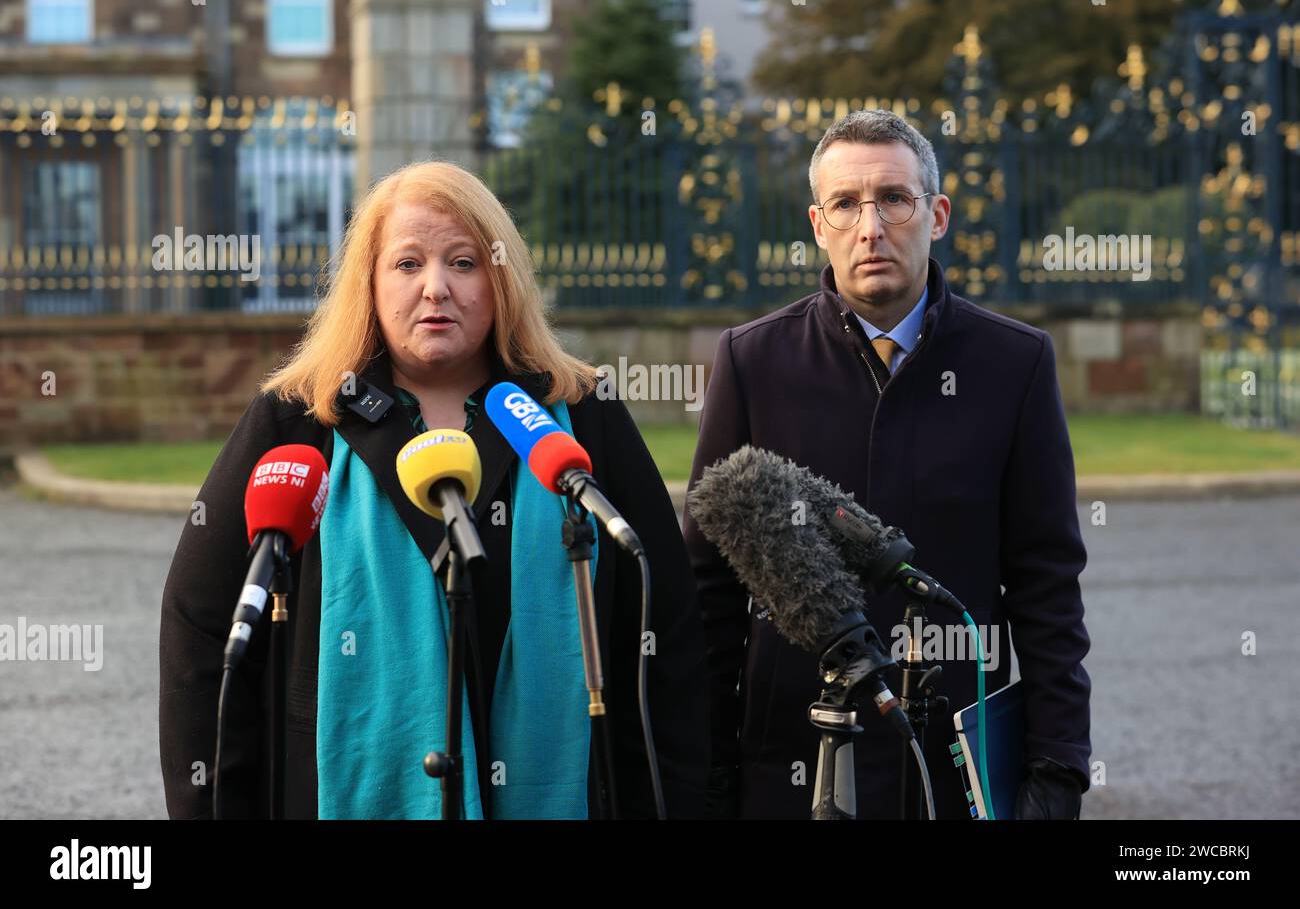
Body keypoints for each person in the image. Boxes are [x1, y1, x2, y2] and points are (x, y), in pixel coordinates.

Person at [160, 160, 709, 819]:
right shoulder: (297, 421)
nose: (436, 288)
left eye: (464, 263)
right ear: (368, 282)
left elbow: (665, 628)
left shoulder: (583, 414)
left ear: (501, 280)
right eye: (407, 264)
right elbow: (202, 624)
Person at [682, 109, 1092, 819]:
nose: (870, 227)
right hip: (791, 767)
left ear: (936, 215)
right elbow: (708, 592)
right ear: (818, 224)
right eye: (846, 204)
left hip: (953, 766)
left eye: (893, 200)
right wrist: (708, 776)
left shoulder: (1016, 363)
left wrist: (1057, 773)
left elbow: (1047, 587)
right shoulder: (752, 361)